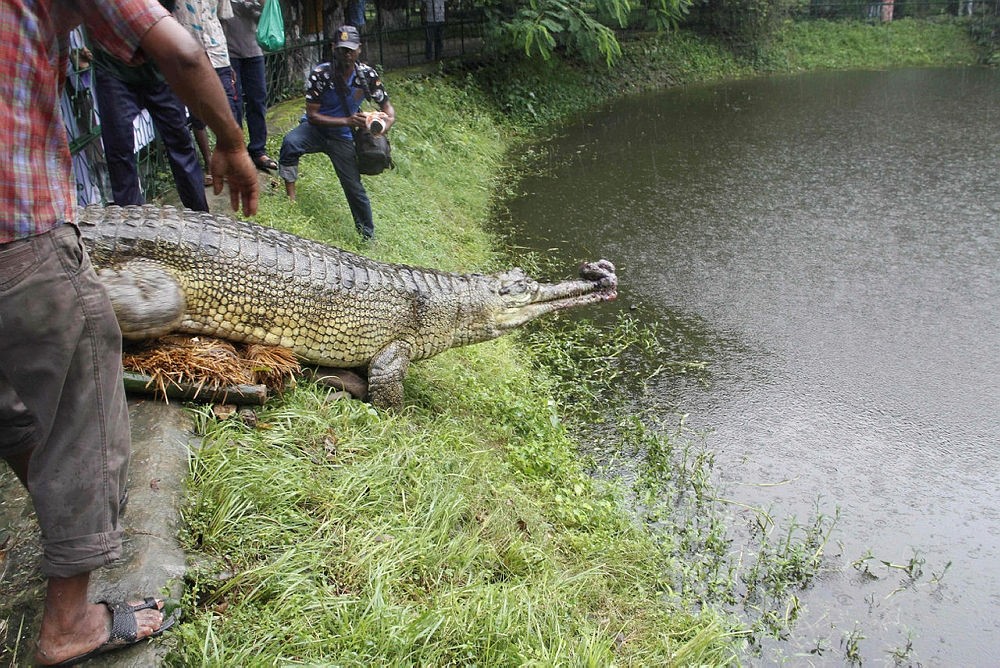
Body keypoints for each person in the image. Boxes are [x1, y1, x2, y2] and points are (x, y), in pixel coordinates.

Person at [0, 2, 257, 666]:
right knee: (87, 414)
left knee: (15, 405)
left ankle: (62, 521)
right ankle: (69, 624)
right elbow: (182, 52)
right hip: (19, 228)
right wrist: (231, 142)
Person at [278, 25, 395, 240]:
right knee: (290, 143)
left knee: (353, 187)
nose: (347, 54)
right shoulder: (320, 74)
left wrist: (381, 126)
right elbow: (312, 115)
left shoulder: (367, 75)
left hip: (342, 137)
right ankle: (290, 200)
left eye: (351, 49)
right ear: (333, 48)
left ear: (359, 49)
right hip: (316, 129)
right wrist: (347, 120)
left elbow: (389, 110)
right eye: (342, 49)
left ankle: (367, 235)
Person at [92, 40, 211, 211]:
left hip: (160, 65)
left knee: (181, 144)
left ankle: (201, 217)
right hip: (112, 66)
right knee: (119, 151)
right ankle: (131, 229)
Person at [172, 0, 242, 184]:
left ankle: (229, 160)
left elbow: (223, 18)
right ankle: (209, 162)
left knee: (228, 107)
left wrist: (228, 57)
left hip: (218, 51)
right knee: (197, 112)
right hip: (187, 52)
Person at [222, 0, 279, 172]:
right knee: (233, 105)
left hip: (254, 51)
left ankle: (258, 150)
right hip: (227, 53)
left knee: (258, 100)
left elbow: (268, 12)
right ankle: (237, 153)